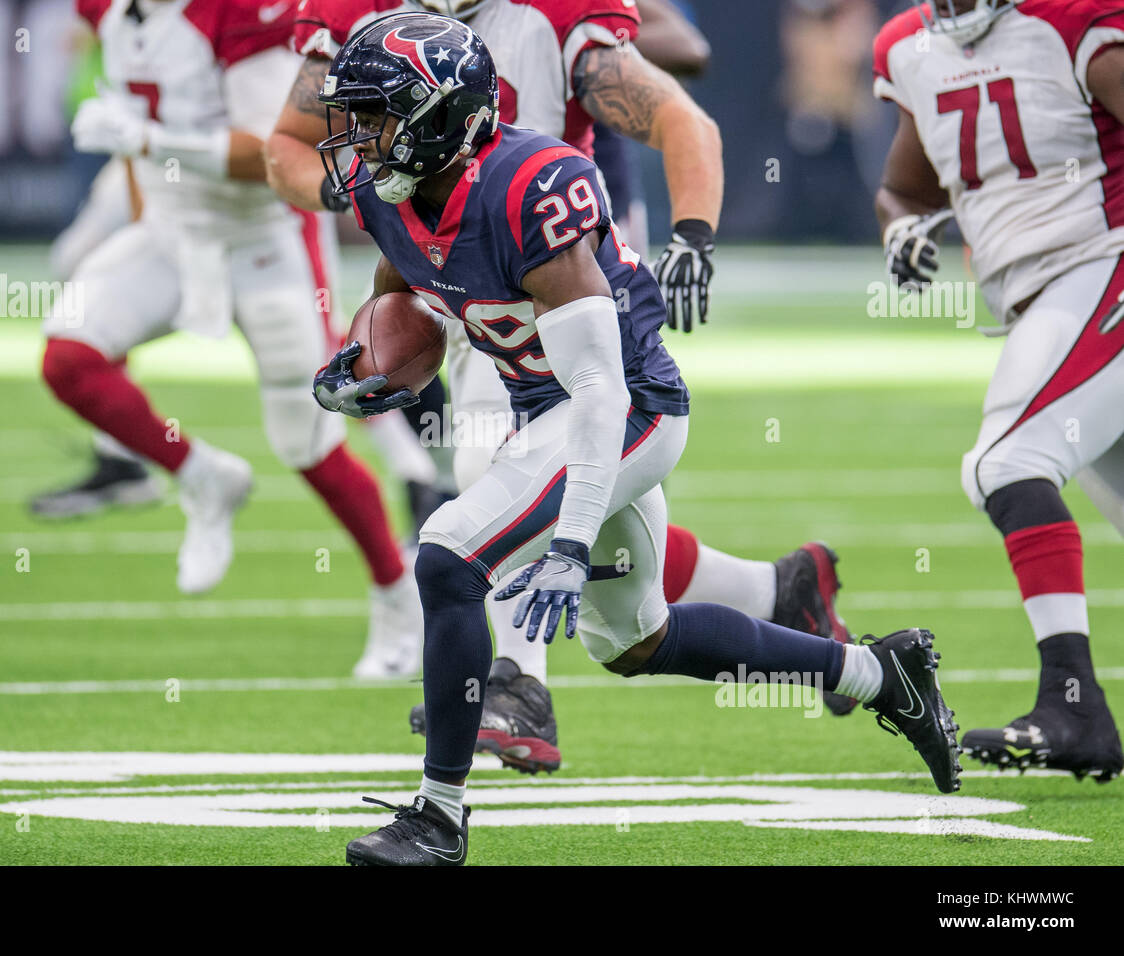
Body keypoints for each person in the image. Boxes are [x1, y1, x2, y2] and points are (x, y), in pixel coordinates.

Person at [311, 11, 962, 864]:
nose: (359, 137)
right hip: (547, 408)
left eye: (380, 116)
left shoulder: (531, 186)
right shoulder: (384, 191)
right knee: (634, 640)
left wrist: (572, 541)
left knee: (446, 554)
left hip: (629, 412)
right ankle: (885, 674)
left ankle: (437, 817)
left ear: (441, 118)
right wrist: (372, 359)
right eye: (354, 116)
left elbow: (598, 388)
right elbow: (409, 295)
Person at [40, 0, 422, 677]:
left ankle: (398, 596)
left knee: (308, 443)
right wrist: (141, 194)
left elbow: (274, 151)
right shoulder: (107, 9)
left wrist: (151, 142)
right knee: (70, 358)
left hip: (263, 241)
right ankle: (202, 476)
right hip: (171, 231)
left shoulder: (239, 12)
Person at [872, 0, 1123, 780]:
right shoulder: (908, 46)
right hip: (1037, 299)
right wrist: (903, 228)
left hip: (1103, 261)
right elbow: (905, 188)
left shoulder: (1073, 19)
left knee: (1006, 462)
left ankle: (1073, 704)